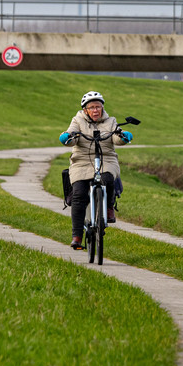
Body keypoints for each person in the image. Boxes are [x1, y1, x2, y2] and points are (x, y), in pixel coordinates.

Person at [60, 90, 133, 251]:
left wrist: (124, 137)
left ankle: (108, 208)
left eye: (98, 107)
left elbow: (116, 136)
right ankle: (77, 236)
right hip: (82, 161)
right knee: (79, 194)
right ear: (85, 109)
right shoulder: (77, 120)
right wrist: (67, 137)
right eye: (92, 107)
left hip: (106, 158)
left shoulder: (111, 121)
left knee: (108, 179)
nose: (95, 110)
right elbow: (71, 135)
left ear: (102, 108)